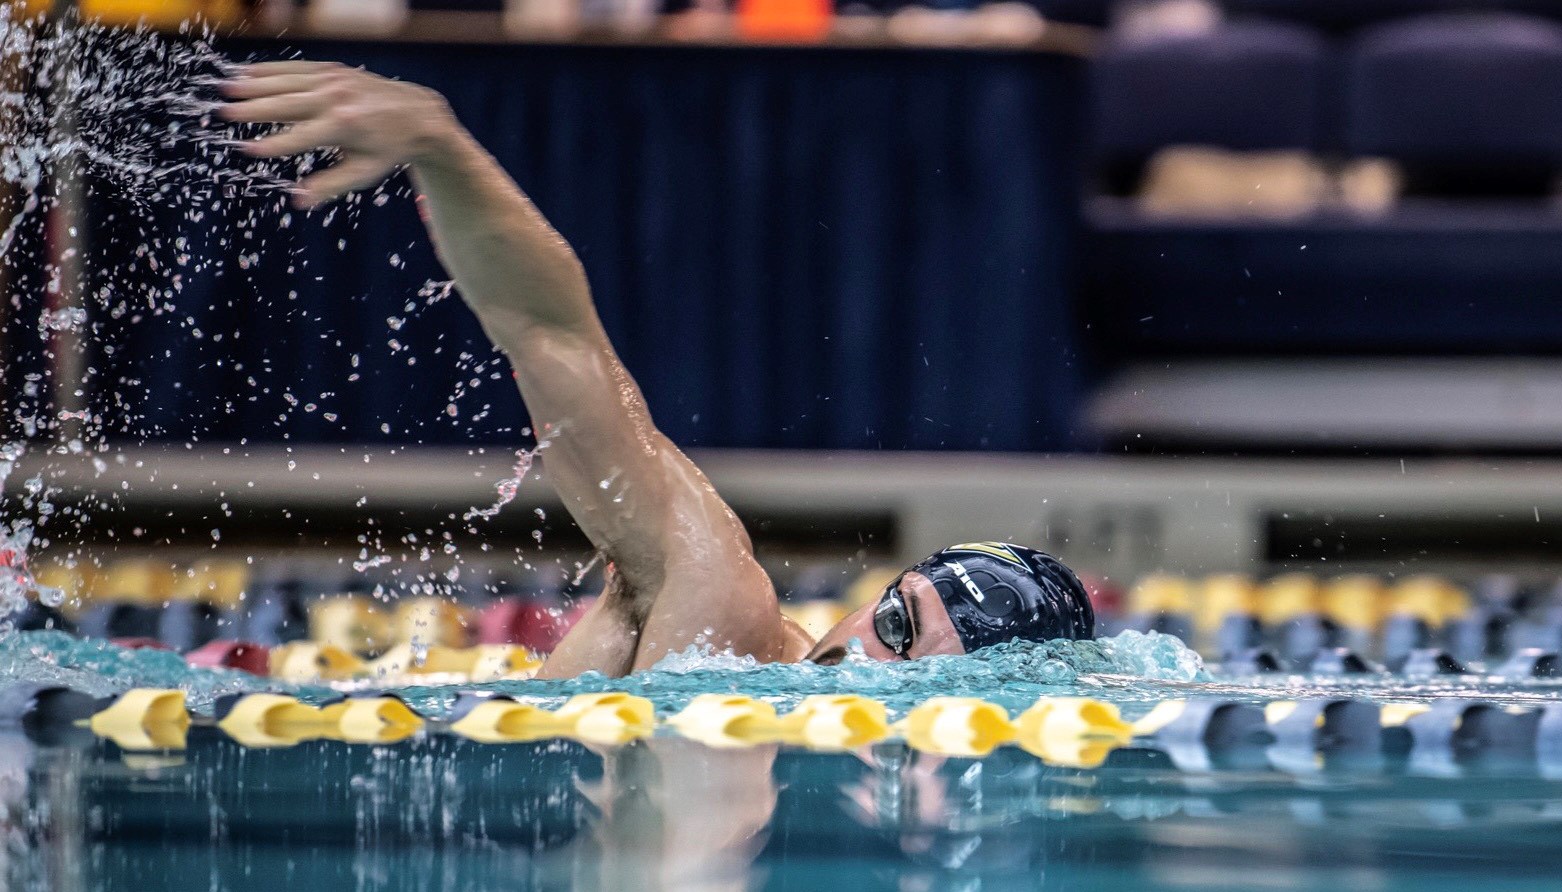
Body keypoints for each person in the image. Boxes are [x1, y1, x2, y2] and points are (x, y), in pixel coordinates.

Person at [219, 62, 1094, 678]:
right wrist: (443, 149)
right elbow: (552, 332)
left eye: (930, 679)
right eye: (896, 620)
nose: (871, 658)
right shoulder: (716, 613)